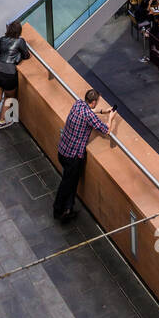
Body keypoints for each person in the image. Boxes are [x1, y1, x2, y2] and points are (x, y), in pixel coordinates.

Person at [52, 89, 116, 223]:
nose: (97, 104)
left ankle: (68, 209)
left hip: (63, 150)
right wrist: (110, 117)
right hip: (73, 157)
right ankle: (58, 210)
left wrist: (103, 111)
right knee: (67, 184)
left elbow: (89, 112)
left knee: (71, 182)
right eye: (97, 102)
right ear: (93, 102)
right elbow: (106, 130)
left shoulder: (78, 104)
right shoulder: (89, 115)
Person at [0, 19, 32, 130]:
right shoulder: (20, 41)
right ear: (19, 31)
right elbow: (26, 55)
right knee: (8, 97)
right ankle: (2, 121)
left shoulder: (1, 39)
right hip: (9, 73)